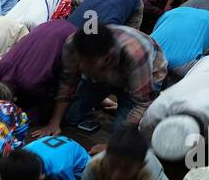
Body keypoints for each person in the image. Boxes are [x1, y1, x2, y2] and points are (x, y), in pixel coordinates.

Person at [37, 23, 167, 136]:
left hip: (145, 76)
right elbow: (68, 81)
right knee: (71, 117)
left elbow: (142, 104)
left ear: (107, 59)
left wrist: (112, 146)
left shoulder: (135, 54)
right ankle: (108, 101)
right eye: (80, 63)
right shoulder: (73, 45)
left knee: (121, 133)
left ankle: (120, 104)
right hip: (105, 75)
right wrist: (54, 123)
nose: (81, 67)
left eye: (88, 64)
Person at [149, 6, 209, 78]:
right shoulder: (183, 67)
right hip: (207, 19)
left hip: (181, 14)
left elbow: (156, 30)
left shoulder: (143, 50)